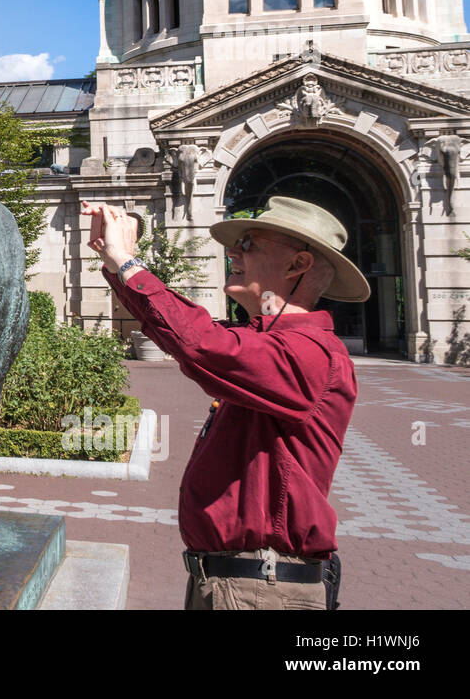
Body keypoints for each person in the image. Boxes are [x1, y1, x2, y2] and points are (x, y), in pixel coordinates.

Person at [80, 196, 370, 610]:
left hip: (260, 589)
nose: (232, 252)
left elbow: (200, 343)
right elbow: (179, 332)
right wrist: (115, 264)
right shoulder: (276, 342)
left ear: (298, 264)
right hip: (239, 582)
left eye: (249, 244)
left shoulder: (312, 352)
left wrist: (128, 263)